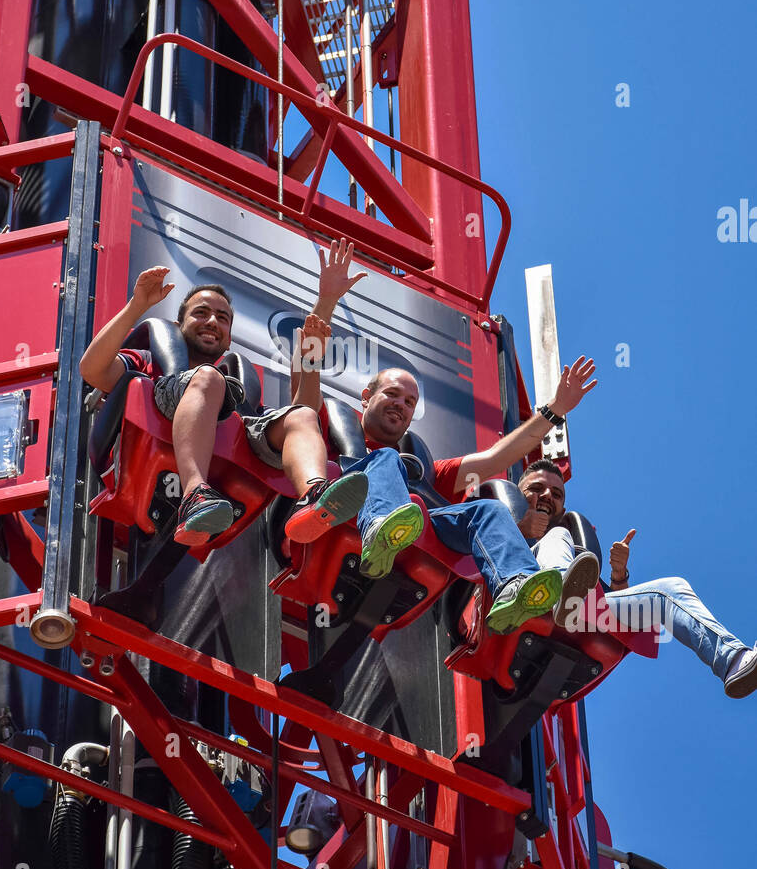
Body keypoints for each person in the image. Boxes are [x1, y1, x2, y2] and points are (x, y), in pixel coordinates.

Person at [286, 270, 599, 632]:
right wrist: (325, 305)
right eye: (391, 395)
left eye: (409, 402)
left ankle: (513, 587)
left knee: (488, 510)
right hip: (350, 512)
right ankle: (379, 531)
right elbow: (304, 387)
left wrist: (553, 411)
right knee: (386, 459)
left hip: (419, 529)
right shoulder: (331, 427)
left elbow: (497, 458)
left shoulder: (423, 467)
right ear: (366, 398)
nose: (401, 405)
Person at [78, 243, 368, 548]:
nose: (212, 322)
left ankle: (313, 497)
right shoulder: (149, 363)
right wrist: (137, 305)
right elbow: (92, 370)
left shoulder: (236, 389)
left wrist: (325, 304)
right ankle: (194, 494)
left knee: (303, 416)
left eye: (222, 318)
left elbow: (305, 412)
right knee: (208, 379)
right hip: (142, 447)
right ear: (179, 326)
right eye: (200, 314)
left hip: (225, 436)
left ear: (228, 339)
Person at [517, 459, 757, 698]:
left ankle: (732, 660)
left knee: (670, 589)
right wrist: (522, 527)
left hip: (573, 609)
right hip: (521, 596)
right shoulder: (497, 519)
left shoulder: (571, 552)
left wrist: (619, 575)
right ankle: (558, 591)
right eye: (537, 489)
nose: (547, 495)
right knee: (558, 536)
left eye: (556, 494)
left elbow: (612, 611)